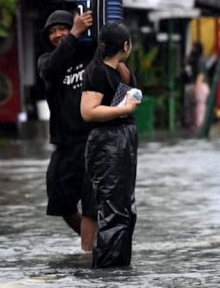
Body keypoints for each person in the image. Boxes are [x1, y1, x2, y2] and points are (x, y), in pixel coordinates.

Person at [37, 9, 98, 252]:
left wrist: (86, 28)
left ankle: (87, 254)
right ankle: (96, 242)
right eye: (52, 31)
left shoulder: (91, 54)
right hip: (64, 143)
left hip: (94, 139)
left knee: (92, 202)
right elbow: (51, 70)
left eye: (62, 28)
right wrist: (73, 32)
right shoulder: (46, 61)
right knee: (60, 202)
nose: (57, 34)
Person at [80, 22, 140, 267]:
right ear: (126, 45)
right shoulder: (96, 72)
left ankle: (120, 269)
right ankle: (106, 273)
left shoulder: (120, 71)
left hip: (123, 141)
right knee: (114, 212)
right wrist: (123, 109)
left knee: (126, 211)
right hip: (107, 144)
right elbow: (88, 111)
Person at [184, 41, 210, 134]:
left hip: (200, 87)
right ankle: (193, 126)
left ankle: (200, 127)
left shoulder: (201, 61)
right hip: (193, 86)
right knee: (191, 108)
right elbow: (186, 63)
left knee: (199, 108)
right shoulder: (193, 60)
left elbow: (200, 76)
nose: (192, 49)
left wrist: (196, 89)